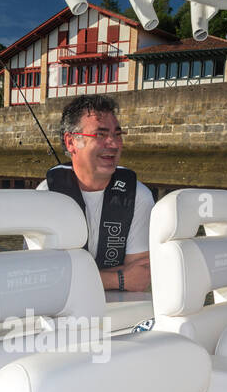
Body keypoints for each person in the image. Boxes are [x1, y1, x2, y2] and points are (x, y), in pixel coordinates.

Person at [38, 95, 152, 291]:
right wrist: (118, 279)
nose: (114, 144)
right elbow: (44, 277)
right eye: (100, 135)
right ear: (71, 142)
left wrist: (73, 276)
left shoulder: (138, 196)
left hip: (120, 310)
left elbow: (142, 275)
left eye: (117, 134)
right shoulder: (46, 196)